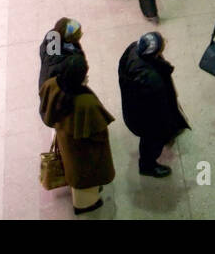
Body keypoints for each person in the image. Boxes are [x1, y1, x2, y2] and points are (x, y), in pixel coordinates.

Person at [39, 53, 115, 215]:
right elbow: (98, 133)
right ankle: (85, 205)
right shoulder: (86, 103)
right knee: (85, 177)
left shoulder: (51, 85)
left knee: (73, 168)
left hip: (64, 139)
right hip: (83, 151)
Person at [117, 32, 188, 178]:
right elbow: (160, 109)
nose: (165, 44)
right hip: (147, 118)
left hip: (132, 108)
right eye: (162, 45)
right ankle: (147, 166)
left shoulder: (133, 48)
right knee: (152, 141)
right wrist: (166, 126)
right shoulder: (150, 80)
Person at [39, 17, 84, 91]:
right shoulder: (61, 64)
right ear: (69, 39)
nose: (81, 34)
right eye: (78, 34)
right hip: (53, 93)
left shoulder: (55, 35)